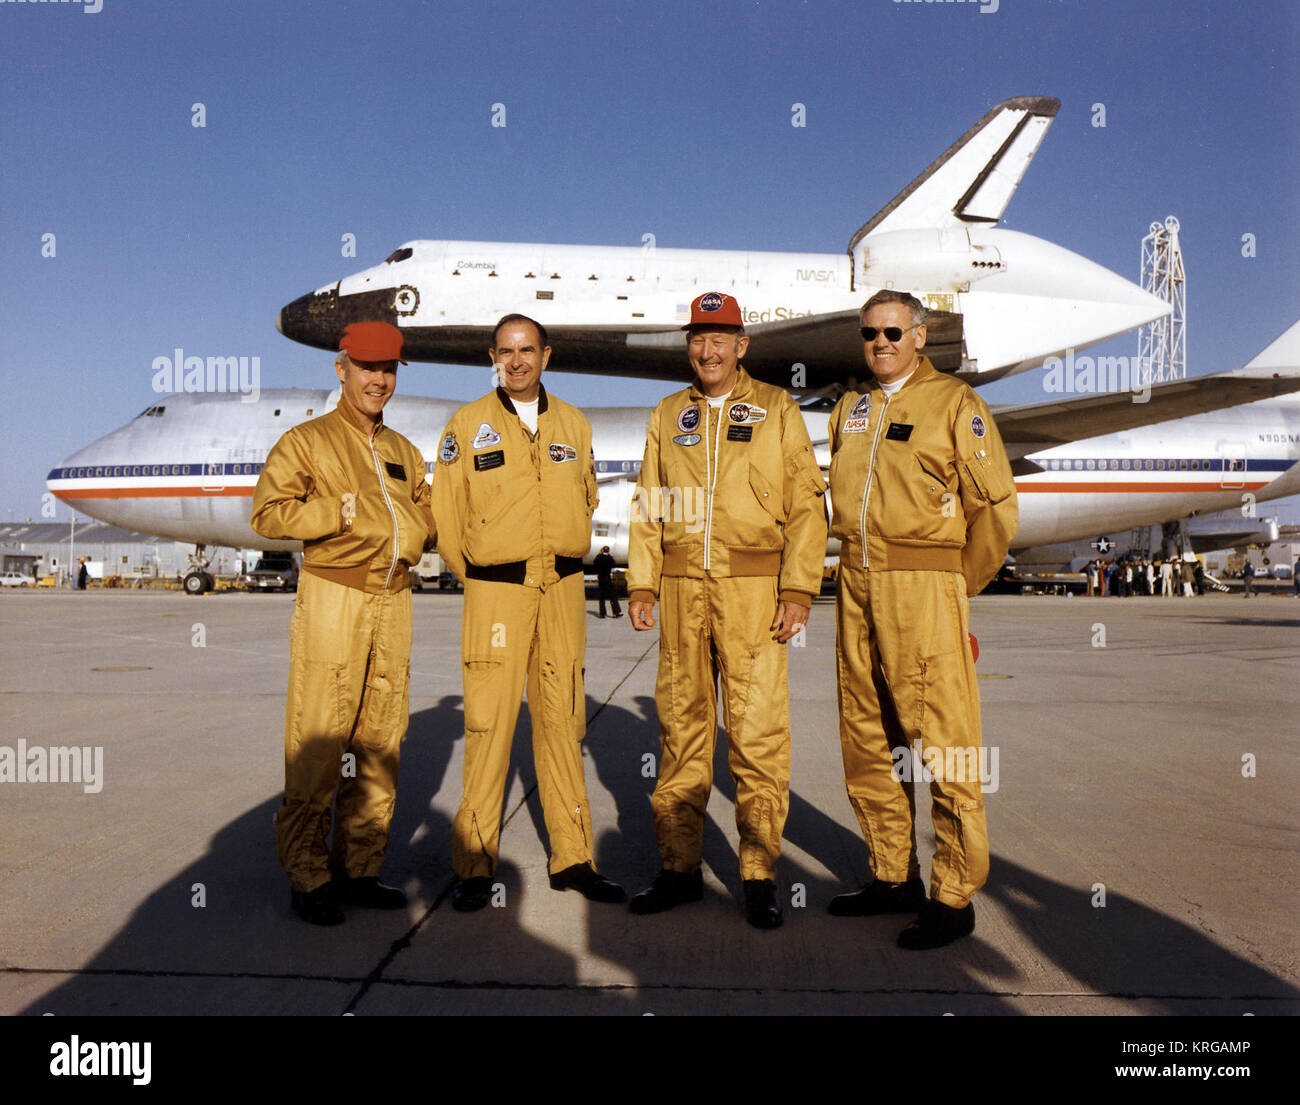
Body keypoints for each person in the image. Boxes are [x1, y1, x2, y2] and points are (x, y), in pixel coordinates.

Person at [626, 291, 827, 930]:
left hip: (753, 594)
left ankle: (760, 872)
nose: (707, 350)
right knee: (681, 730)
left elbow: (804, 504)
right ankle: (679, 867)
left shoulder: (775, 409)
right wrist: (641, 583)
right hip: (684, 592)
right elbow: (649, 501)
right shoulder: (669, 414)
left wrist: (798, 590)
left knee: (756, 734)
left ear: (741, 346)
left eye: (720, 339)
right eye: (697, 338)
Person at [826, 290, 1017, 950]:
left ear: (920, 335)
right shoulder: (849, 410)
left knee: (942, 740)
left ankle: (954, 891)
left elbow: (995, 509)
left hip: (923, 583)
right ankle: (890, 875)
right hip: (854, 582)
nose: (880, 342)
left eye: (892, 331)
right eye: (869, 333)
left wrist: (955, 589)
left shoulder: (956, 405)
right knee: (866, 735)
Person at [431, 313, 624, 911]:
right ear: (493, 356)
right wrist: (490, 577)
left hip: (562, 590)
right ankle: (473, 864)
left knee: (563, 724)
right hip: (498, 593)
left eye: (528, 351)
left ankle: (572, 858)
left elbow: (586, 498)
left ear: (547, 355)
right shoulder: (467, 426)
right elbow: (447, 519)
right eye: (506, 352)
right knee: (488, 728)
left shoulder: (574, 423)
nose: (516, 362)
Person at [251, 321, 434, 926]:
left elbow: (428, 510)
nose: (378, 379)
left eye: (388, 370)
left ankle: (360, 869)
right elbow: (269, 513)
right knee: (321, 737)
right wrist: (337, 513)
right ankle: (308, 875)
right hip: (335, 597)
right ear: (342, 369)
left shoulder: (404, 451)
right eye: (367, 368)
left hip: (395, 599)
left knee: (381, 740)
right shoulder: (305, 442)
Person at [594, 545, 621, 618]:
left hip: (601, 578)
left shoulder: (599, 557)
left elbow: (595, 563)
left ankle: (602, 613)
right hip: (607, 578)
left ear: (602, 550)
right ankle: (616, 612)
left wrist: (599, 554)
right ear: (608, 551)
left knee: (602, 597)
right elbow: (613, 564)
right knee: (612, 596)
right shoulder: (610, 558)